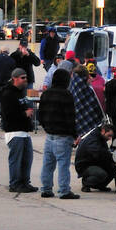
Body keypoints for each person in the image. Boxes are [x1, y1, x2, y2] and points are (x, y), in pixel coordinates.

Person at [37, 70, 79, 199]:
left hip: (49, 134)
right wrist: (74, 134)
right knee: (63, 164)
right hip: (63, 135)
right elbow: (70, 118)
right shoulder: (67, 95)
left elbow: (40, 115)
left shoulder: (46, 94)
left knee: (48, 163)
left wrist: (46, 127)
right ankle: (64, 190)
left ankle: (46, 188)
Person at [1, 68, 37, 193]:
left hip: (24, 132)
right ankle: (15, 183)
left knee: (27, 159)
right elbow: (8, 115)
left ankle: (25, 182)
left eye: (26, 77)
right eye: (22, 78)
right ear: (15, 78)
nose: (25, 80)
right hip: (14, 132)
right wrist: (24, 114)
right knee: (16, 160)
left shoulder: (20, 92)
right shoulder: (8, 94)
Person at [75, 123, 116, 192]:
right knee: (101, 173)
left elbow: (104, 154)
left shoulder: (101, 137)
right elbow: (99, 154)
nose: (110, 139)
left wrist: (114, 161)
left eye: (111, 137)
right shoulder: (92, 139)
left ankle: (100, 185)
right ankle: (86, 183)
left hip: (95, 162)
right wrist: (111, 159)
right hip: (84, 165)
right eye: (109, 136)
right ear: (103, 131)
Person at [68, 64, 105, 137]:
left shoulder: (72, 88)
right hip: (91, 126)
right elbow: (96, 108)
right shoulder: (88, 90)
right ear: (86, 76)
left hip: (75, 124)